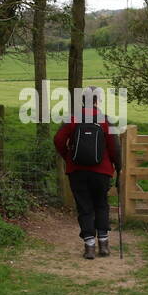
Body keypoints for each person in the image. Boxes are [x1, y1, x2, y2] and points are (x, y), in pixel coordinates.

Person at [53, 88, 120, 259]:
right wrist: (118, 166)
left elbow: (58, 139)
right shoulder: (105, 120)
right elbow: (115, 147)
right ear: (98, 101)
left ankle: (89, 246)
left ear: (82, 101)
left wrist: (68, 157)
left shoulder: (73, 118)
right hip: (102, 171)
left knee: (84, 207)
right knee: (101, 204)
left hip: (77, 170)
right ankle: (103, 245)